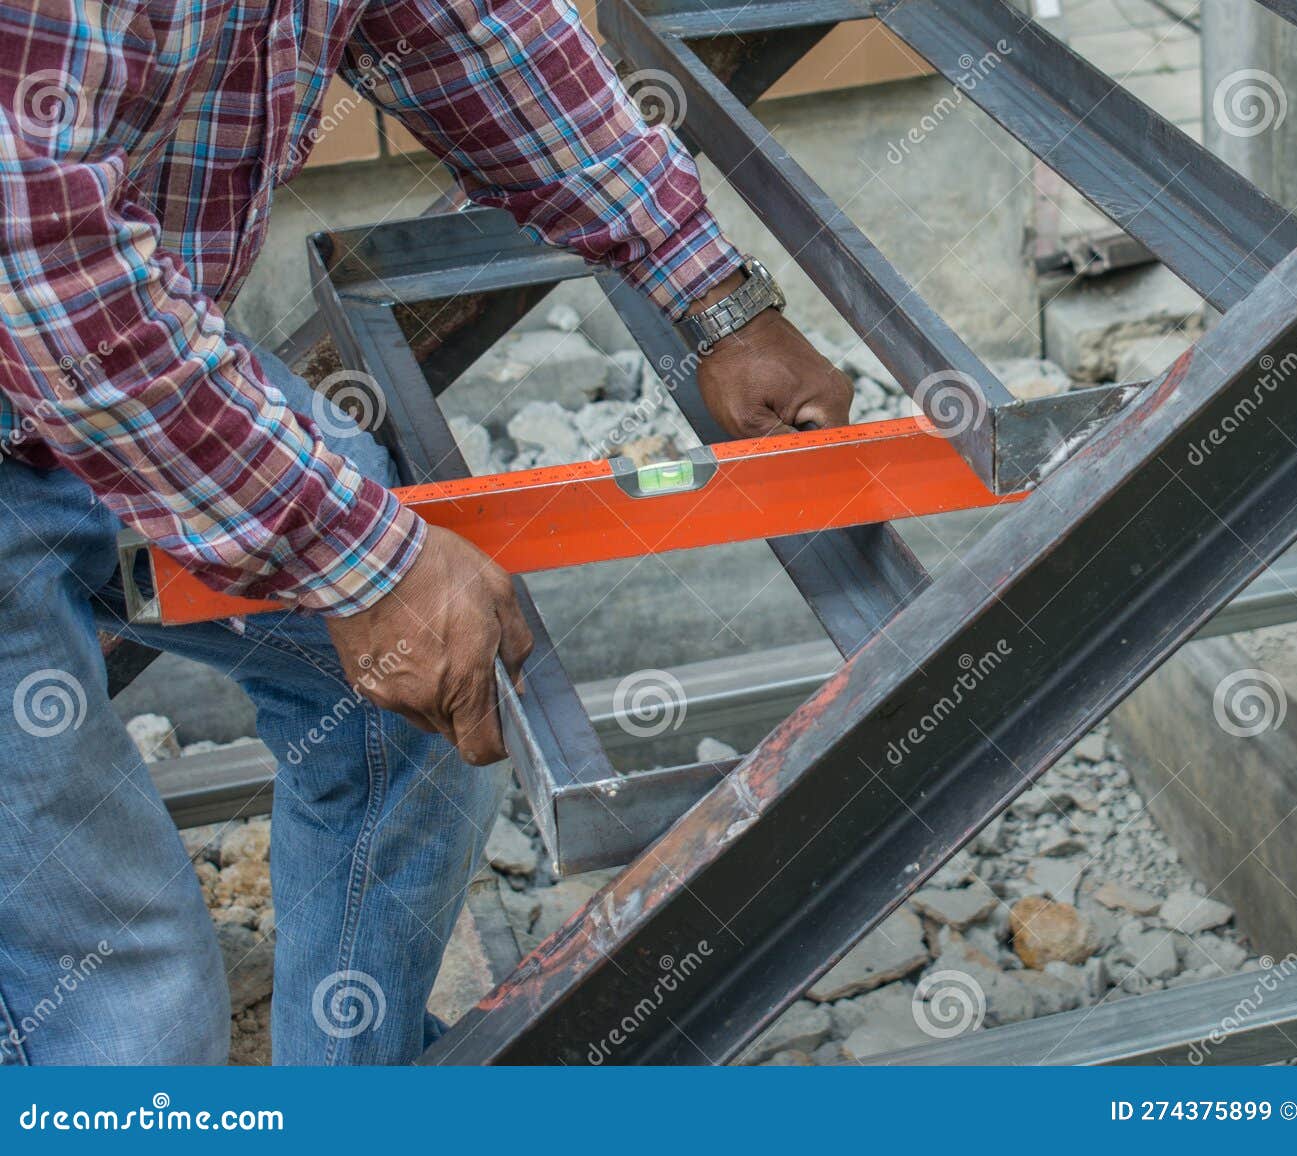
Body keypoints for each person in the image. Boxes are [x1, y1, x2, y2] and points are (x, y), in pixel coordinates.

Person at [0, 0, 852, 1065]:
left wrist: (715, 299)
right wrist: (353, 558)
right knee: (131, 1006)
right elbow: (36, 259)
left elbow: (483, 40)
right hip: (57, 335)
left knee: (428, 688)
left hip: (119, 364)